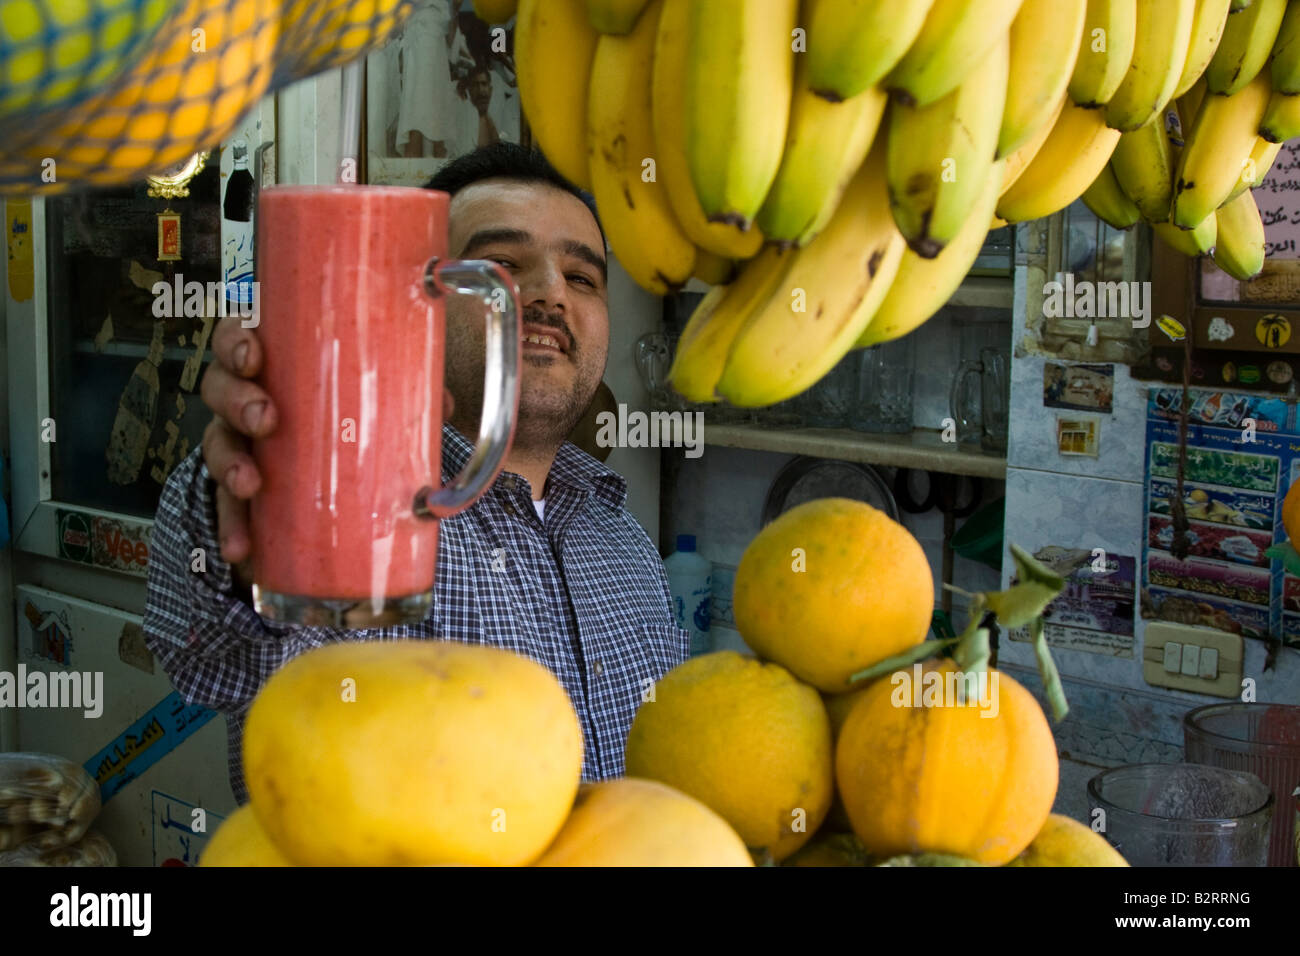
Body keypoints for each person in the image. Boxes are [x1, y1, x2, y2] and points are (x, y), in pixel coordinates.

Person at [143, 143, 690, 804]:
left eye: (582, 278)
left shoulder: (626, 542)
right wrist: (235, 488)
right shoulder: (346, 509)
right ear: (418, 298)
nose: (549, 292)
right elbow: (208, 652)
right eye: (502, 264)